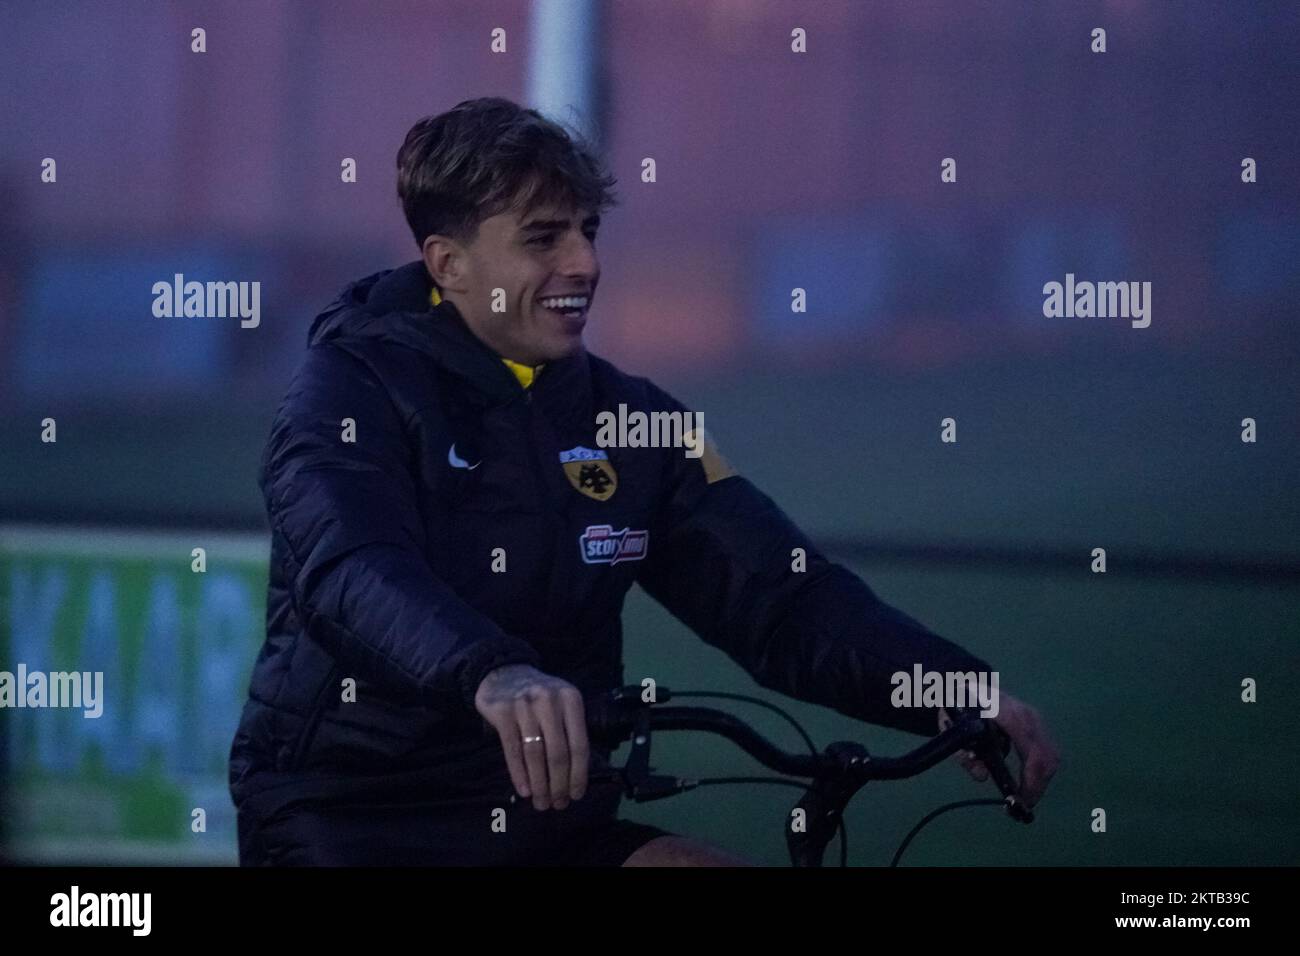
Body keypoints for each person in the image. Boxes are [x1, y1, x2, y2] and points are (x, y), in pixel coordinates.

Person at [228, 96, 1059, 866]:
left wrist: (948, 685)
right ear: (448, 263)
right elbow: (351, 567)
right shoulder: (349, 387)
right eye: (544, 237)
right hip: (351, 816)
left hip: (548, 814)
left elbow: (779, 594)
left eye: (588, 231)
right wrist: (492, 672)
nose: (586, 262)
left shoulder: (635, 419)